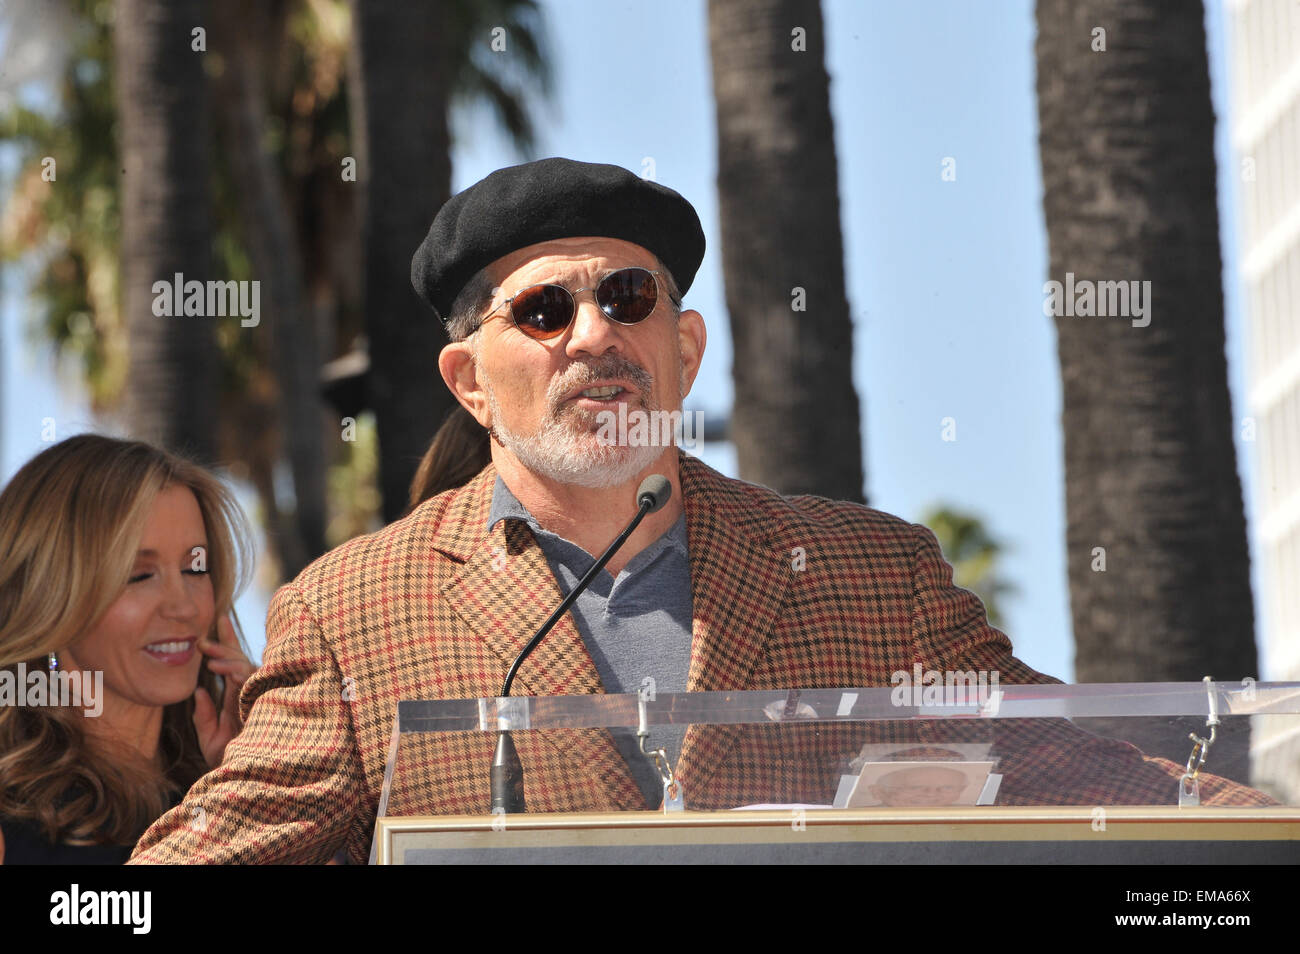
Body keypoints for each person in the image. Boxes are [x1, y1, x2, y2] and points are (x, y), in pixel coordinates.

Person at [129, 158, 1270, 865]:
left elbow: (1099, 772)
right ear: (470, 384)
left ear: (681, 350)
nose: (594, 336)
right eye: (542, 310)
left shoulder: (872, 573)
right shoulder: (353, 610)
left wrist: (1268, 823)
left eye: (628, 299)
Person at [0, 435, 255, 863]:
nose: (184, 606)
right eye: (138, 575)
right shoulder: (14, 828)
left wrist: (257, 775)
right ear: (50, 593)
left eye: (195, 568)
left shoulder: (237, 787)